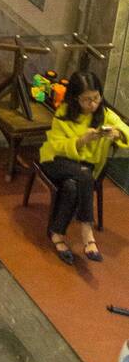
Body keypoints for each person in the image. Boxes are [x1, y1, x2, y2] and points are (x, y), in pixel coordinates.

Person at [40, 70, 129, 264]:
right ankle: (87, 233)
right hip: (56, 161)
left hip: (83, 169)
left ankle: (57, 234)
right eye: (86, 100)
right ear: (75, 98)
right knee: (84, 175)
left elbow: (126, 130)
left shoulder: (103, 114)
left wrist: (118, 134)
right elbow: (56, 147)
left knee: (73, 185)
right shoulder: (63, 114)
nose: (93, 104)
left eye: (96, 98)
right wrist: (81, 141)